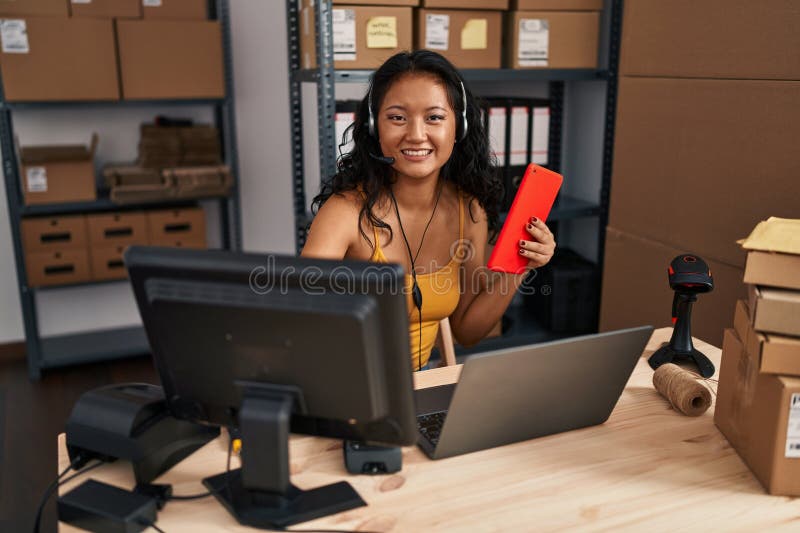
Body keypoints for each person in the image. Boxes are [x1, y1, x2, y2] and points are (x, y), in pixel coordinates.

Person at [302, 50, 556, 371]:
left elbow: (468, 330)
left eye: (434, 117)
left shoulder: (468, 212)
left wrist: (521, 265)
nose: (416, 134)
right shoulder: (345, 213)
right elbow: (303, 324)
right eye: (397, 117)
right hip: (345, 391)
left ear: (459, 128)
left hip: (414, 396)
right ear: (372, 125)